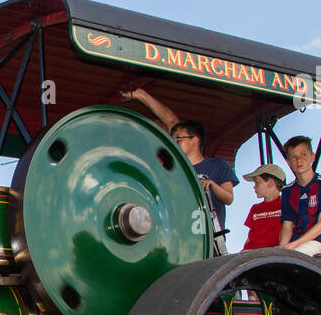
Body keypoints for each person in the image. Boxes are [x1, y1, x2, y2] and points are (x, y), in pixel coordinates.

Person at [121, 86, 238, 249]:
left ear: (195, 140)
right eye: (172, 139)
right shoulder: (172, 169)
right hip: (177, 240)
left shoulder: (217, 165)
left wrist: (211, 184)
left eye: (178, 139)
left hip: (208, 241)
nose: (173, 142)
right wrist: (141, 95)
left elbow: (229, 198)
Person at [278, 135, 321, 255]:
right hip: (296, 244)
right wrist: (282, 248)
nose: (299, 160)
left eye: (303, 155)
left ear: (313, 157)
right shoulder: (287, 191)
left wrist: (294, 245)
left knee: (295, 257)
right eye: (294, 157)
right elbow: (287, 226)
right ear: (288, 162)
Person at [240, 163, 286, 249]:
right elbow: (250, 237)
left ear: (271, 183)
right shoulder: (255, 208)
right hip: (252, 252)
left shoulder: (287, 204)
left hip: (274, 252)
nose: (254, 187)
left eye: (257, 183)